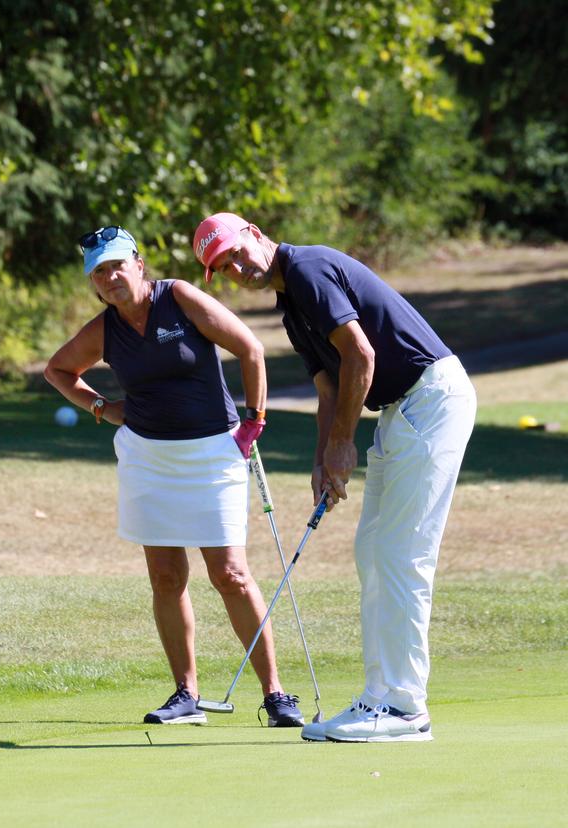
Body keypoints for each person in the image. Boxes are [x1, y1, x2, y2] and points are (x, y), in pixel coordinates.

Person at [193, 212, 477, 742]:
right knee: (372, 549)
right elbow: (329, 388)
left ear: (255, 232)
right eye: (223, 266)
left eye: (235, 251)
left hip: (431, 398)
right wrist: (323, 458)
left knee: (400, 553)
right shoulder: (291, 309)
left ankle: (405, 708)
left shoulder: (308, 269)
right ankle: (381, 697)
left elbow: (360, 355)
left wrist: (345, 442)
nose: (236, 267)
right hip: (402, 411)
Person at [45, 226, 304, 727]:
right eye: (100, 271)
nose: (112, 276)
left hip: (213, 452)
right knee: (166, 577)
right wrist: (102, 407)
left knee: (230, 574)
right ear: (94, 284)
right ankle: (186, 694)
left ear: (140, 265)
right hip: (148, 456)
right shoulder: (105, 328)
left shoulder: (179, 297)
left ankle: (275, 695)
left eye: (118, 264)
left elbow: (250, 348)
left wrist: (254, 421)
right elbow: (59, 371)